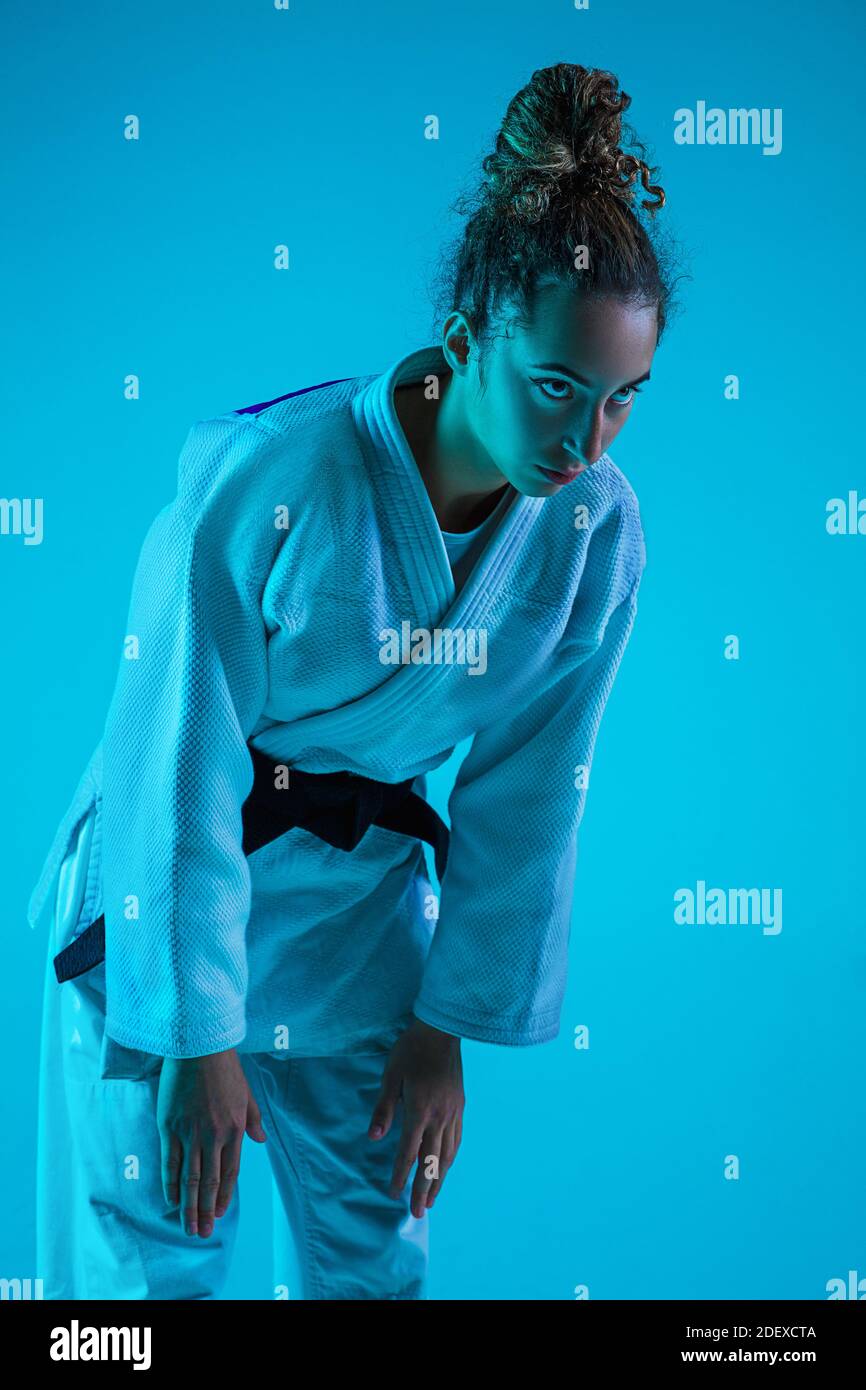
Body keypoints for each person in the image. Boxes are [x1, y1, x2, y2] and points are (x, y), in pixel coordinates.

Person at [27, 61, 680, 1300]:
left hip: (354, 911)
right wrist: (192, 1033)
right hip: (169, 899)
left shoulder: (595, 531)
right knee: (139, 1277)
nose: (580, 442)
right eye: (553, 387)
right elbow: (172, 759)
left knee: (375, 1253)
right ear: (466, 337)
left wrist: (445, 1023)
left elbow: (534, 790)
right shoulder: (273, 480)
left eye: (617, 403)